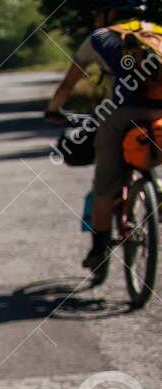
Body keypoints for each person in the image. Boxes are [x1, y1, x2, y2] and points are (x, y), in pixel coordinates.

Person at [46, 2, 162, 280]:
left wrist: (53, 110)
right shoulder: (158, 31)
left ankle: (99, 251)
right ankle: (153, 190)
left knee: (105, 187)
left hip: (119, 114)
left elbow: (67, 85)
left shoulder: (100, 38)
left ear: (111, 14)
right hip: (160, 112)